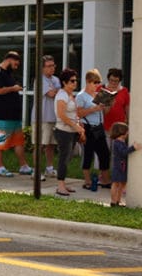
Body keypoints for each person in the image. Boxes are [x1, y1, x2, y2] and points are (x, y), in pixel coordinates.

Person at [0, 51, 32, 177]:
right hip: (1, 116)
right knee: (0, 142)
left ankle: (24, 166)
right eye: (15, 64)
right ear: (9, 59)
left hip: (14, 116)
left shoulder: (9, 74)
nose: (16, 67)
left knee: (18, 142)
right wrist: (13, 88)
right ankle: (0, 167)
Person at [76, 68, 111, 191]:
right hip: (88, 127)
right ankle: (87, 180)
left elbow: (105, 112)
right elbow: (78, 113)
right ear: (87, 81)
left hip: (99, 127)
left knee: (104, 153)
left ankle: (105, 179)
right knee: (88, 154)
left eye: (98, 82)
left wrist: (107, 104)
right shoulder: (81, 96)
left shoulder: (98, 95)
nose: (96, 85)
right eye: (94, 82)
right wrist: (93, 109)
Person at [54, 69, 85, 197]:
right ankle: (60, 186)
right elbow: (61, 115)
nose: (75, 83)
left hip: (71, 131)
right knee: (64, 158)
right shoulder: (62, 95)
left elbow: (73, 113)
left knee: (68, 158)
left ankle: (63, 183)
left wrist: (79, 125)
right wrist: (74, 126)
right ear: (64, 82)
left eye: (76, 80)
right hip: (63, 131)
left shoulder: (70, 94)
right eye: (72, 81)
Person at [34, 55, 61, 178]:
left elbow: (60, 94)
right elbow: (51, 94)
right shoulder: (40, 80)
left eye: (53, 66)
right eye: (49, 66)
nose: (52, 68)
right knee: (40, 144)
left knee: (51, 145)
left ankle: (49, 168)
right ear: (42, 68)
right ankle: (36, 171)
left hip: (54, 117)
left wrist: (56, 91)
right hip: (42, 117)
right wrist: (56, 91)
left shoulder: (56, 80)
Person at [109, 122, 141, 207]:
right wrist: (133, 148)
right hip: (118, 166)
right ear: (121, 131)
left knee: (122, 183)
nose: (128, 133)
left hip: (123, 166)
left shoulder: (122, 142)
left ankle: (118, 200)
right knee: (116, 183)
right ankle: (113, 201)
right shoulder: (117, 142)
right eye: (127, 131)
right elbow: (123, 152)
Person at [102, 68, 130, 133]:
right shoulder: (103, 89)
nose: (113, 83)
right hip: (105, 125)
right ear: (108, 79)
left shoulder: (124, 91)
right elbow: (100, 110)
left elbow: (127, 107)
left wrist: (128, 121)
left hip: (120, 126)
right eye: (111, 80)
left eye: (116, 81)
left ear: (119, 81)